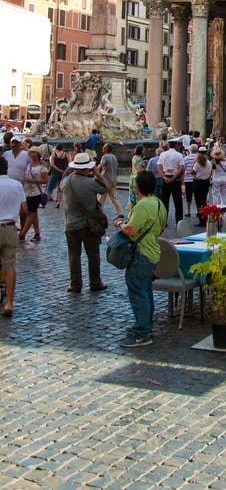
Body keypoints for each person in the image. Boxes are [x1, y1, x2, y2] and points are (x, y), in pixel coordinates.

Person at [115, 170, 167, 348]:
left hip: (141, 254)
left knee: (137, 292)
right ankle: (144, 324)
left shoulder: (142, 206)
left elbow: (130, 230)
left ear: (138, 187)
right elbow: (161, 229)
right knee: (145, 291)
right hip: (153, 252)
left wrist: (120, 224)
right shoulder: (159, 204)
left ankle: (143, 333)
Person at [61, 152, 110, 293]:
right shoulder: (91, 183)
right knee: (93, 255)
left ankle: (75, 284)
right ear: (87, 168)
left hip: (70, 224)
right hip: (89, 225)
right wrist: (97, 173)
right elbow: (107, 187)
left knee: (74, 255)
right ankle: (95, 282)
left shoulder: (65, 181)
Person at [0, 156, 27, 316]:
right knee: (9, 265)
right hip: (10, 228)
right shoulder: (16, 185)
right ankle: (9, 303)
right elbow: (25, 209)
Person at [20, 147, 48, 241]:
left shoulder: (42, 166)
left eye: (34, 153)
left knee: (30, 213)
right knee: (34, 213)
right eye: (31, 152)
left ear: (38, 154)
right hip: (27, 192)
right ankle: (37, 233)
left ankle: (22, 234)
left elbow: (45, 181)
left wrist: (31, 180)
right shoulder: (29, 164)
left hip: (36, 192)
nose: (32, 154)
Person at [157, 140, 185, 224]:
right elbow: (181, 168)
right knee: (178, 202)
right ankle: (179, 221)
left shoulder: (162, 154)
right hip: (175, 178)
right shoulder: (179, 155)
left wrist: (164, 177)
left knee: (164, 201)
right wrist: (174, 178)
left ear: (169, 145)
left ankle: (163, 221)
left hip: (165, 177)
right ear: (176, 145)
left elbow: (159, 167)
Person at [99, 143, 124, 218]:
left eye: (103, 147)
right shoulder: (114, 157)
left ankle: (99, 211)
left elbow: (101, 166)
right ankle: (120, 212)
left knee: (101, 197)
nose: (102, 149)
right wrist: (116, 178)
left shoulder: (105, 157)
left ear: (106, 149)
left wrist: (97, 173)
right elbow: (116, 169)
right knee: (113, 197)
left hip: (105, 180)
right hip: (113, 180)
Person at [192, 147, 212, 222]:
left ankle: (201, 218)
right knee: (204, 200)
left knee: (198, 200)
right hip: (206, 182)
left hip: (197, 182)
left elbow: (192, 172)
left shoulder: (197, 163)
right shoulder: (209, 162)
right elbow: (210, 172)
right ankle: (205, 215)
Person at [49, 143, 70, 208]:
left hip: (55, 172)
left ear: (56, 147)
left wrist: (58, 170)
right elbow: (70, 163)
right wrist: (65, 171)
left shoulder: (54, 154)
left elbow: (52, 164)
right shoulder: (65, 154)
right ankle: (58, 202)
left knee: (50, 186)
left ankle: (45, 200)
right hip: (63, 173)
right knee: (60, 188)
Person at [128, 145, 145, 210]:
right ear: (141, 151)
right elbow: (139, 170)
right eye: (143, 150)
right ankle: (137, 209)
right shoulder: (139, 159)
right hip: (137, 178)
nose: (144, 151)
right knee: (138, 195)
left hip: (132, 177)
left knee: (132, 195)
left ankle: (132, 208)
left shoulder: (134, 157)